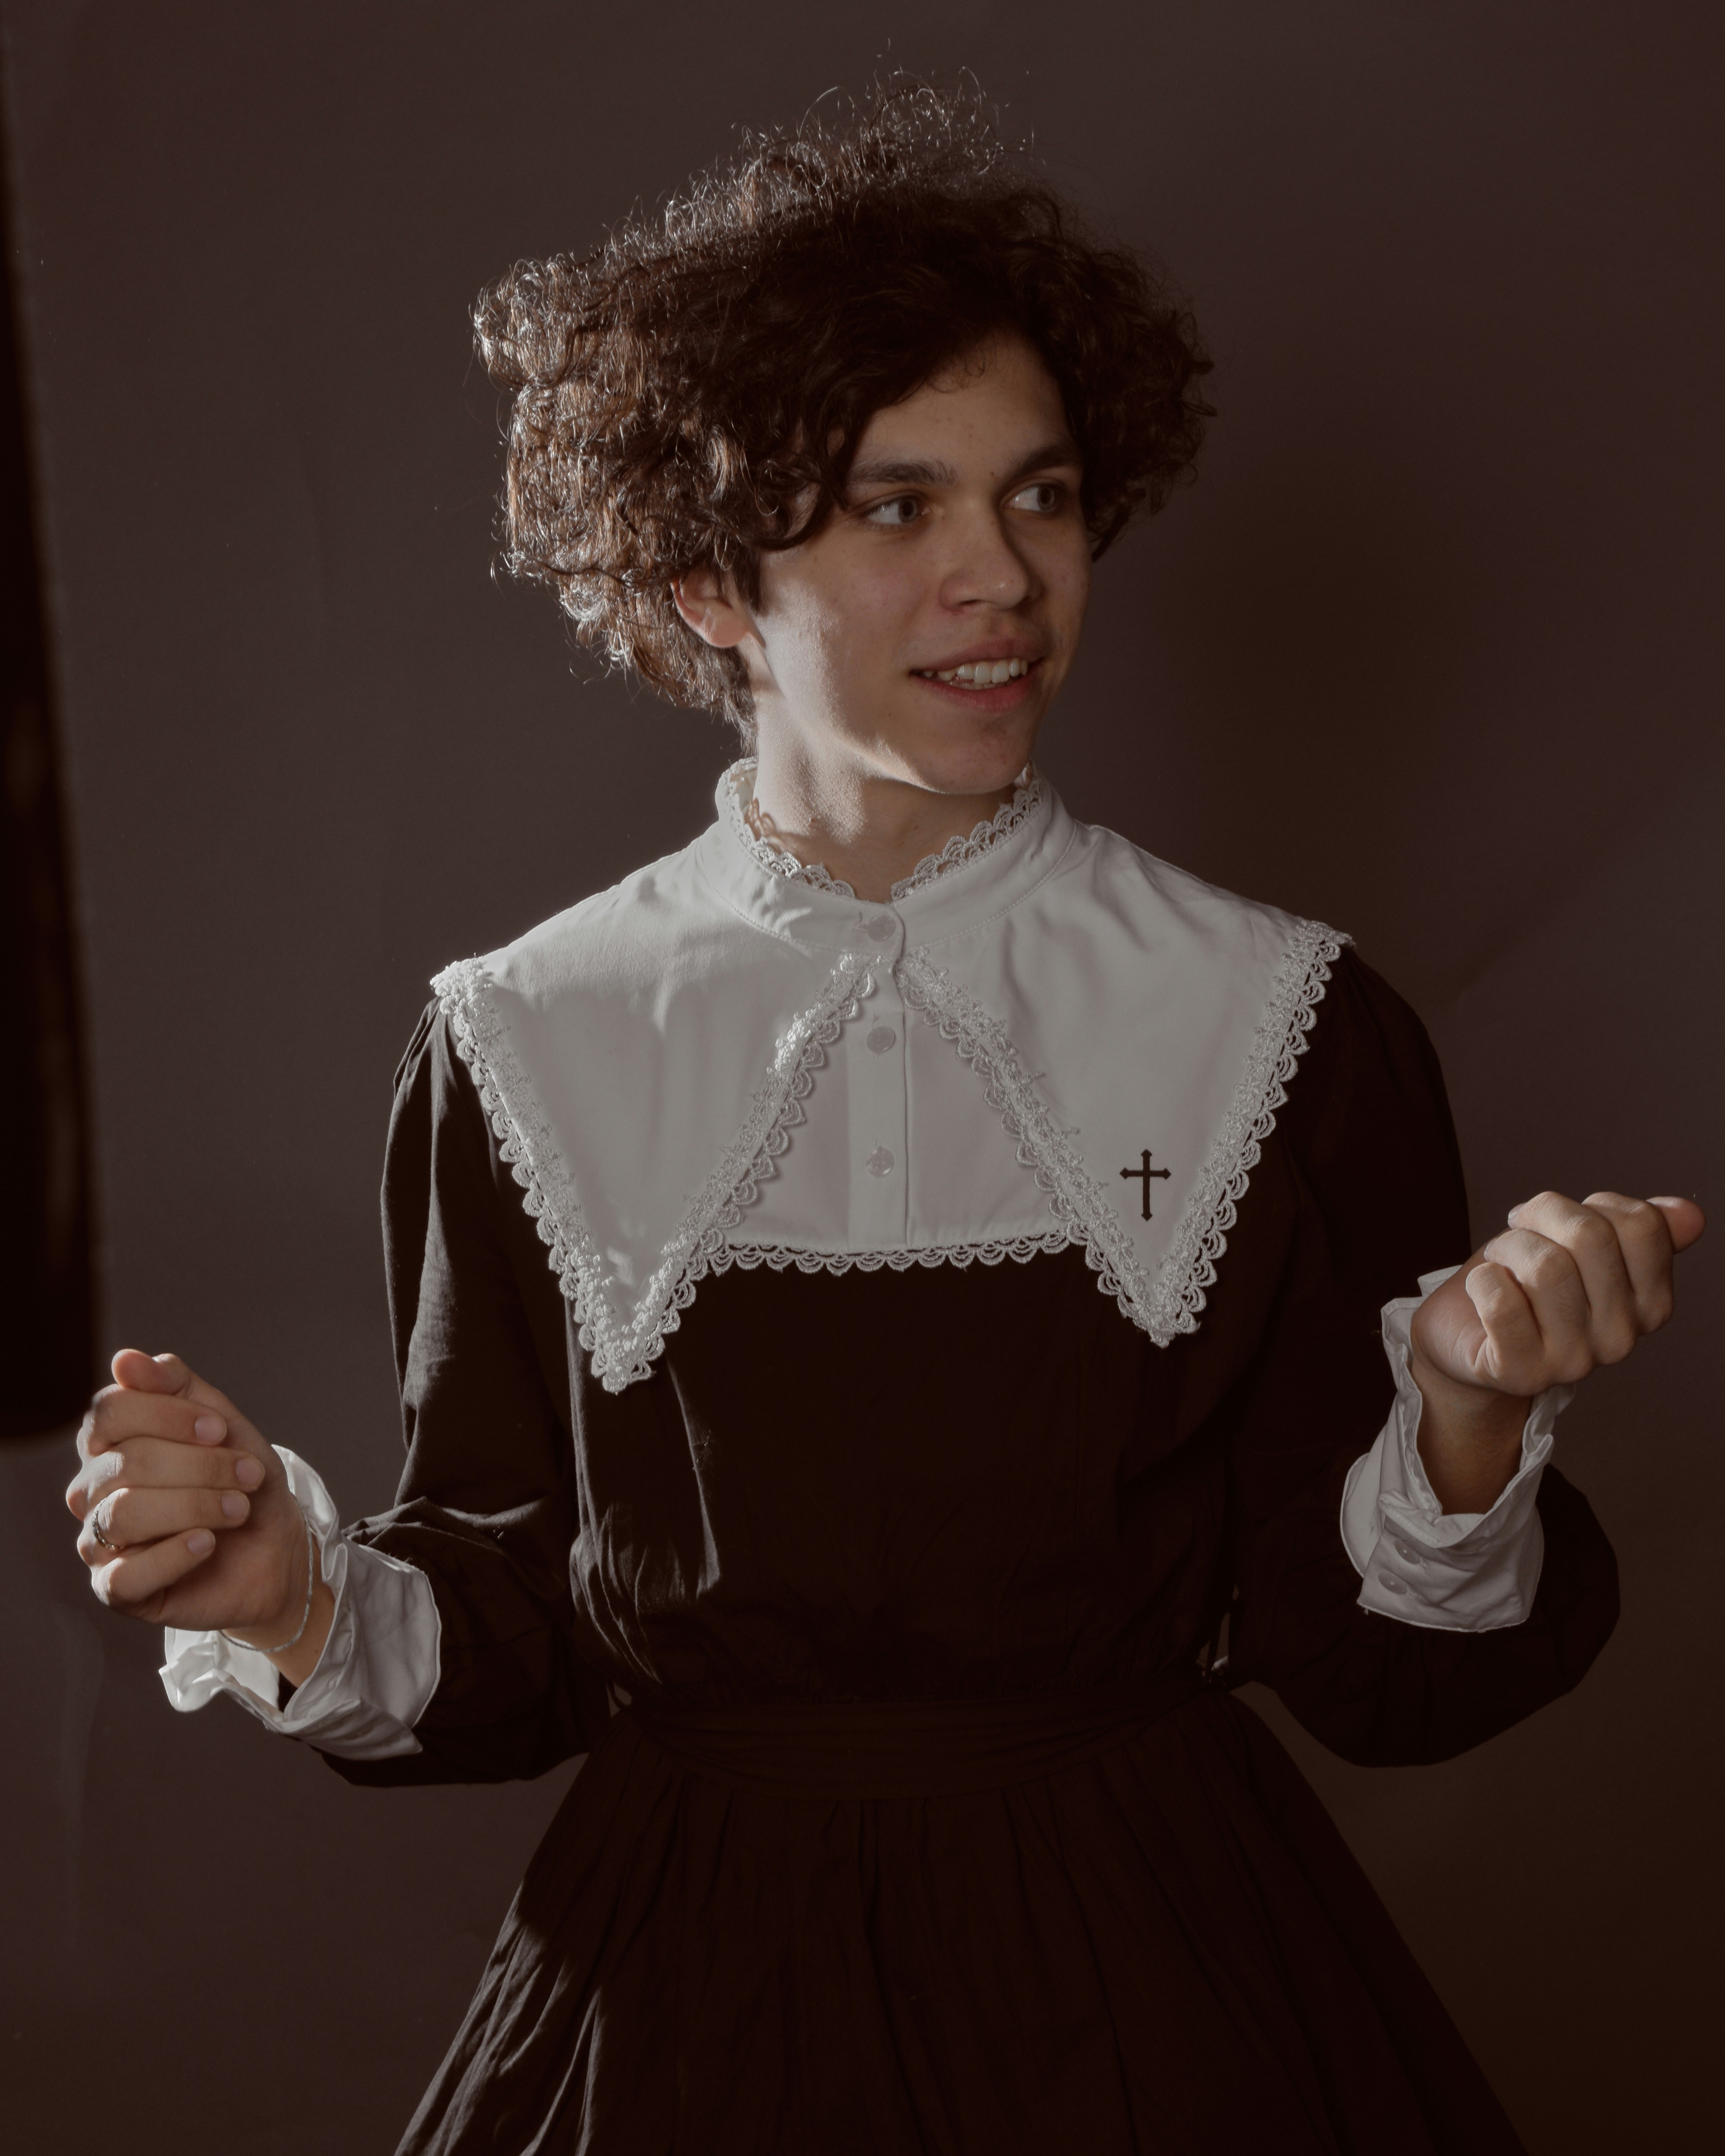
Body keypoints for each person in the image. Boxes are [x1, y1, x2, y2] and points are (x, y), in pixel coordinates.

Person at [66, 86, 1700, 2155]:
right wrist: (289, 1586)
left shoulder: (1291, 1020)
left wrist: (1461, 1413)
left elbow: (1381, 1672)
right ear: (703, 577)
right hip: (680, 1994)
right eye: (894, 504)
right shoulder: (518, 1035)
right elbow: (514, 1621)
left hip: (1167, 1984)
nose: (1001, 576)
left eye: (1041, 495)